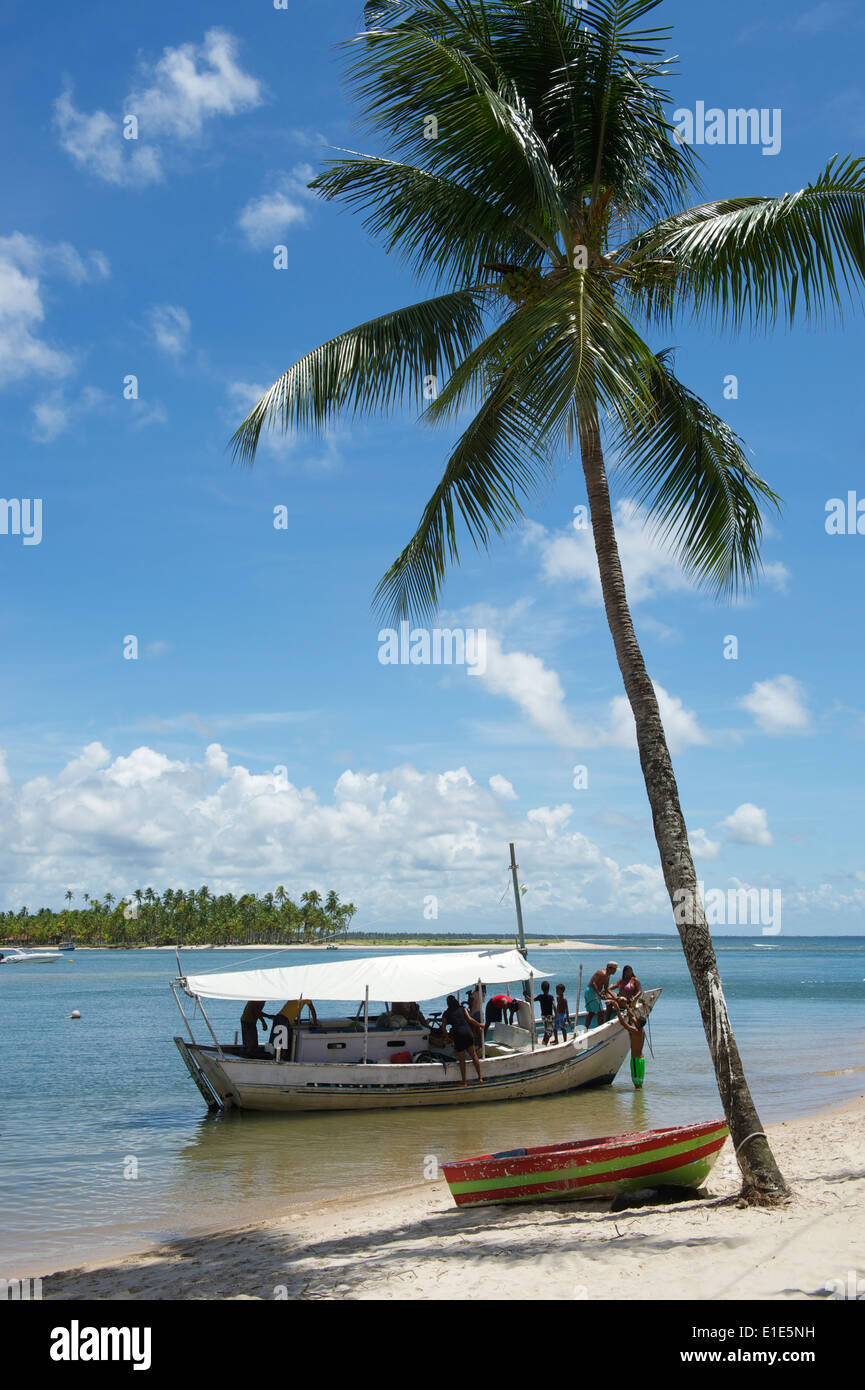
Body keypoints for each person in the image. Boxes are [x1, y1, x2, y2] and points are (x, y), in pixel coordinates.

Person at [442, 994, 484, 1086]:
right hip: (468, 1032)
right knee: (473, 1055)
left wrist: (448, 1038)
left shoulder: (446, 1013)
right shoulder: (462, 1008)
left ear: (448, 1003)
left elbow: (444, 1028)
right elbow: (470, 1019)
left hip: (458, 1035)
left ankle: (464, 1082)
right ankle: (480, 1078)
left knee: (462, 1059)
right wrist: (480, 1025)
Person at [611, 998, 646, 1088]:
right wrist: (626, 1006)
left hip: (636, 1060)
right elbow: (632, 1017)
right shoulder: (642, 1030)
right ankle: (639, 1100)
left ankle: (637, 1101)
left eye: (637, 1021)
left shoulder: (635, 1031)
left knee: (636, 1085)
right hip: (641, 1060)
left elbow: (623, 1023)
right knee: (639, 1083)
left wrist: (618, 1009)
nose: (636, 1020)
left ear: (638, 1024)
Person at [585, 962, 618, 1030]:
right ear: (610, 968)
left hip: (593, 993)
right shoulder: (602, 973)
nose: (615, 971)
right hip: (592, 992)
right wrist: (599, 994)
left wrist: (615, 997)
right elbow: (594, 984)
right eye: (615, 969)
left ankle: (586, 1029)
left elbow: (606, 989)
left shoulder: (608, 976)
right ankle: (601, 1029)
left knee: (591, 1012)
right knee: (600, 1012)